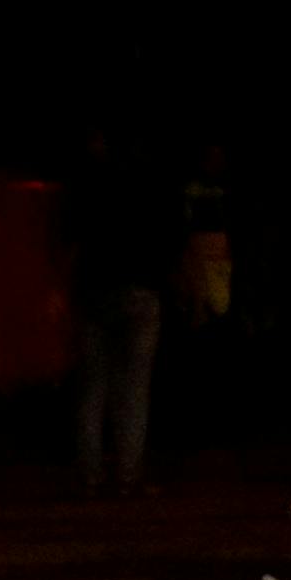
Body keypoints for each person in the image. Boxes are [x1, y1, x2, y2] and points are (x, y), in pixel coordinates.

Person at [58, 125, 186, 494]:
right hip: (140, 291)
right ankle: (128, 474)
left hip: (93, 291)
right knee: (133, 389)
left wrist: (62, 291)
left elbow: (72, 242)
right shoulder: (150, 182)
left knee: (93, 385)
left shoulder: (88, 185)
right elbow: (170, 238)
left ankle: (91, 473)